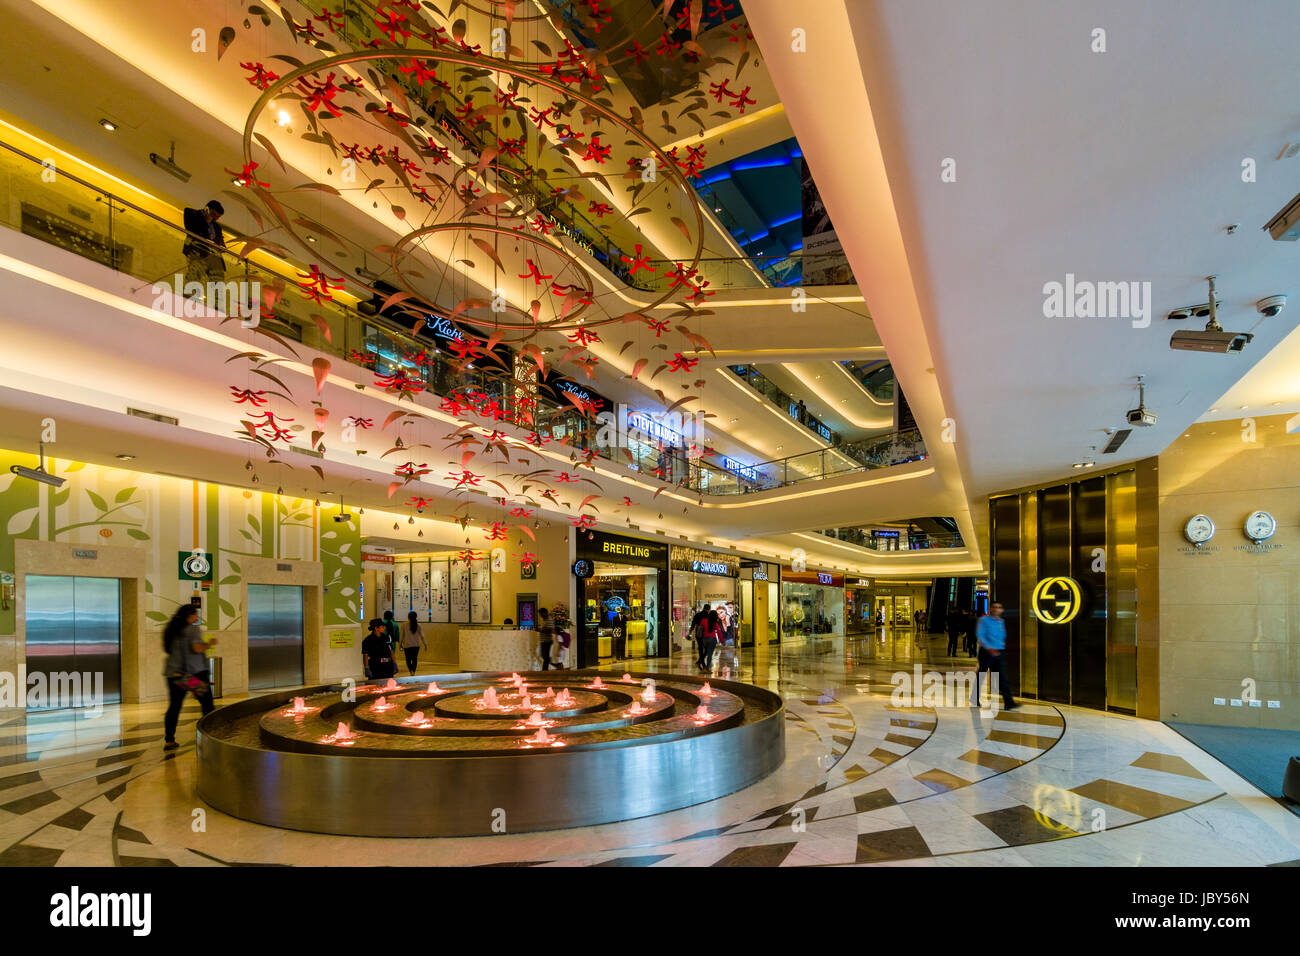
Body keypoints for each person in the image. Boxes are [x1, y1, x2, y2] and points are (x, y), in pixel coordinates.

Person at [162, 603, 216, 750]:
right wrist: (209, 643)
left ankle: (169, 739)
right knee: (207, 704)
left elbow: (167, 650)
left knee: (174, 706)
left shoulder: (171, 630)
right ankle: (210, 736)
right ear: (189, 616)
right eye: (195, 614)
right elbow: (197, 648)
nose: (197, 617)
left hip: (174, 674)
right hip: (191, 676)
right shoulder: (193, 629)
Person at [973, 602, 1017, 710]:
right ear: (990, 609)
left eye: (999, 607)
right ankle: (975, 698)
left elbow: (1002, 637)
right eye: (994, 607)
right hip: (986, 652)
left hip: (999, 653)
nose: (996, 609)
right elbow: (980, 635)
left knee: (1002, 677)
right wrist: (989, 648)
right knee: (982, 675)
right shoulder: (984, 620)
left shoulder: (1001, 622)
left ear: (1001, 610)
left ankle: (1009, 702)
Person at [181, 200, 226, 289]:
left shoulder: (217, 227)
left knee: (218, 279)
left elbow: (221, 241)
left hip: (212, 255)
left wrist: (220, 246)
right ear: (207, 209)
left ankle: (215, 301)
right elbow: (191, 229)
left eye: (218, 217)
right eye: (213, 214)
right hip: (197, 250)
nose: (215, 218)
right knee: (196, 272)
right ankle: (188, 296)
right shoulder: (191, 213)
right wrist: (207, 220)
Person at [401, 611, 427, 675]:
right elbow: (422, 636)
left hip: (407, 645)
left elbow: (401, 635)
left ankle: (410, 671)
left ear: (408, 617)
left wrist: (400, 644)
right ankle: (413, 672)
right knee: (414, 659)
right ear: (416, 617)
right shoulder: (419, 625)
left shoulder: (404, 625)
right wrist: (425, 644)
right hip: (416, 645)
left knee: (408, 660)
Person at [690, 603, 711, 668]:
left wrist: (690, 630)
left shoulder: (697, 615)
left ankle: (700, 660)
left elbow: (693, 623)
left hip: (698, 632)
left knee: (700, 647)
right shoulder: (708, 615)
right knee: (707, 648)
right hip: (706, 633)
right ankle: (701, 660)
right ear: (708, 609)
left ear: (703, 608)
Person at [537, 606, 556, 671]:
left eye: (541, 614)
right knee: (544, 656)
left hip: (547, 640)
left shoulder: (549, 620)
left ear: (545, 613)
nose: (540, 615)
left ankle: (546, 669)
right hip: (544, 640)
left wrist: (540, 630)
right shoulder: (545, 620)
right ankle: (546, 669)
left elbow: (550, 630)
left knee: (545, 656)